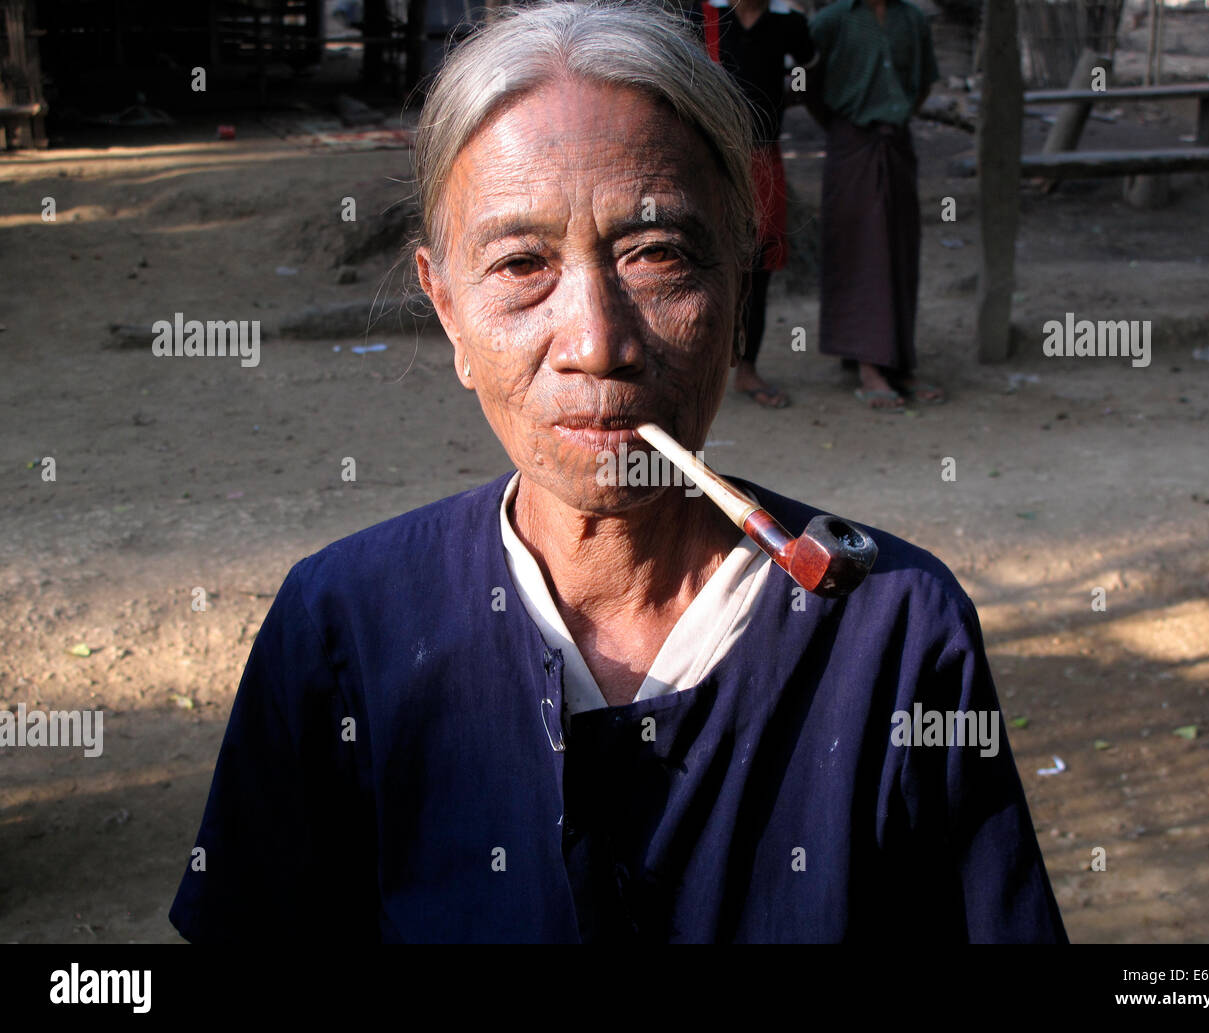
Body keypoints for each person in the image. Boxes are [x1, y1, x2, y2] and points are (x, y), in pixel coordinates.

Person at [168, 0, 1065, 943]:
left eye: (657, 254)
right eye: (522, 264)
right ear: (447, 309)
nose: (597, 342)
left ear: (739, 278)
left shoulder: (893, 636)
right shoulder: (341, 629)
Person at [810, 0, 944, 410]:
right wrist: (847, 128)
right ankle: (869, 365)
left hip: (896, 143)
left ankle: (900, 364)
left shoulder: (913, 19)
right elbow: (808, 87)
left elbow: (922, 83)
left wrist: (892, 116)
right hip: (851, 145)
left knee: (900, 251)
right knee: (859, 252)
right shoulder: (831, 22)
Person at [688, 0, 816, 410]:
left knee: (757, 269)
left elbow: (808, 69)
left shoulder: (788, 24)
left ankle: (747, 369)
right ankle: (693, 370)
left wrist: (785, 96)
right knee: (695, 262)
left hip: (762, 160)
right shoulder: (702, 17)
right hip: (708, 160)